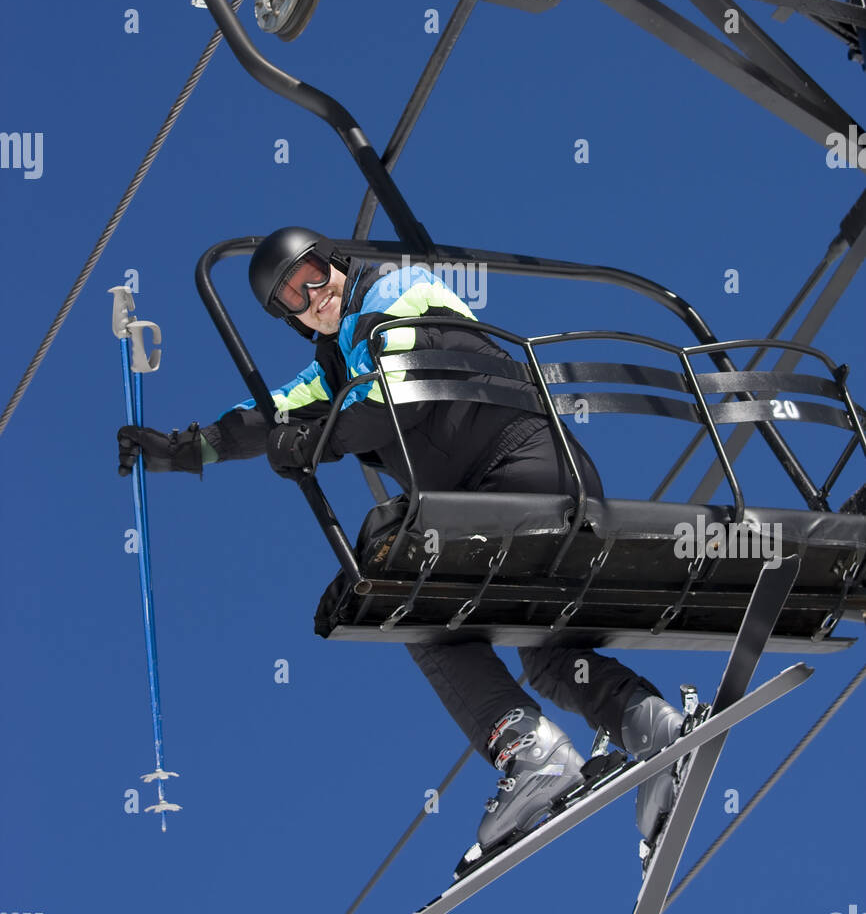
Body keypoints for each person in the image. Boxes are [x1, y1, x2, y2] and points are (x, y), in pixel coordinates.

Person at [117, 226, 692, 858]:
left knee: (419, 610)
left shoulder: (397, 295)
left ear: (335, 261)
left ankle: (532, 753)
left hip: (514, 470)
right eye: (291, 299)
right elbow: (269, 413)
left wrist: (309, 444)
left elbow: (398, 397)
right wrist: (182, 450)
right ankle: (652, 729)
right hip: (540, 488)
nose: (312, 298)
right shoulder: (337, 364)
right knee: (551, 656)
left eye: (312, 276)